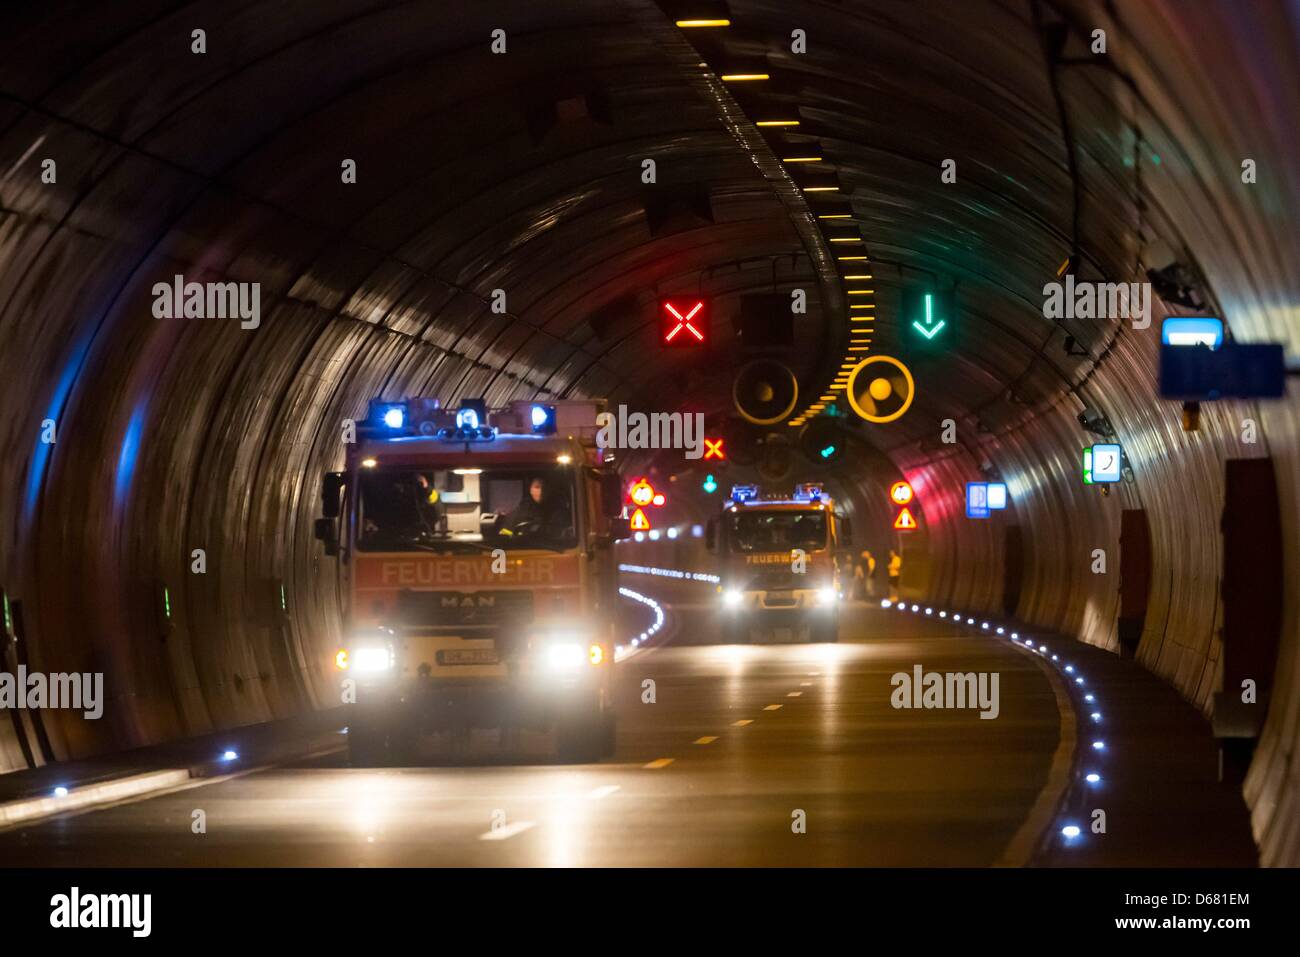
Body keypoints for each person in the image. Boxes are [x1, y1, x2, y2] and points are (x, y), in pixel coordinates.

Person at [501, 476, 566, 538]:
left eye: (544, 487)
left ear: (549, 489)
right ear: (530, 490)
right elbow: (504, 541)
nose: (541, 491)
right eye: (537, 487)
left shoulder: (559, 513)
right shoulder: (517, 514)